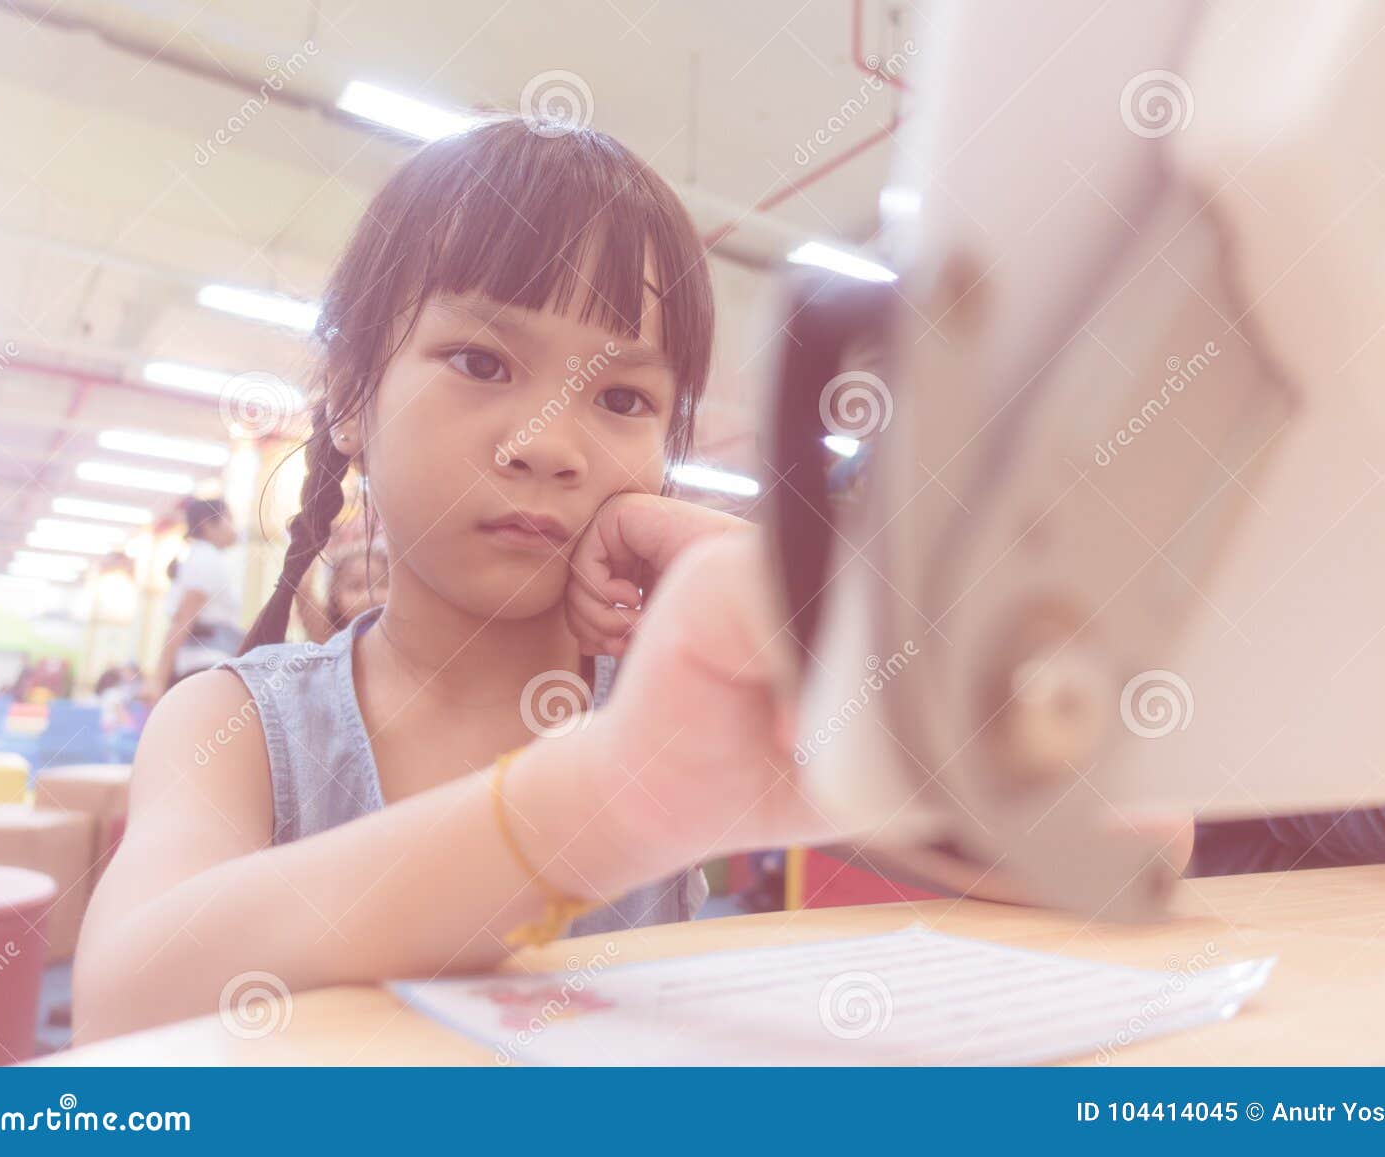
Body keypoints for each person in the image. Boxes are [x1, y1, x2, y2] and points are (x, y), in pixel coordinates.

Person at [73, 118, 837, 1042]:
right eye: (482, 363)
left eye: (622, 399)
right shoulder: (237, 727)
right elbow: (120, 1003)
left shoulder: (678, 696)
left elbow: (1014, 831)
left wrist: (789, 598)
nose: (548, 443)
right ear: (352, 395)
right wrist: (590, 802)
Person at [147, 498, 243, 700]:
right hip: (204, 665)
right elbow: (183, 621)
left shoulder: (203, 558)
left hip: (206, 664)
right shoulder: (205, 559)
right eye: (230, 519)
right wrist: (157, 681)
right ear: (208, 525)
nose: (235, 527)